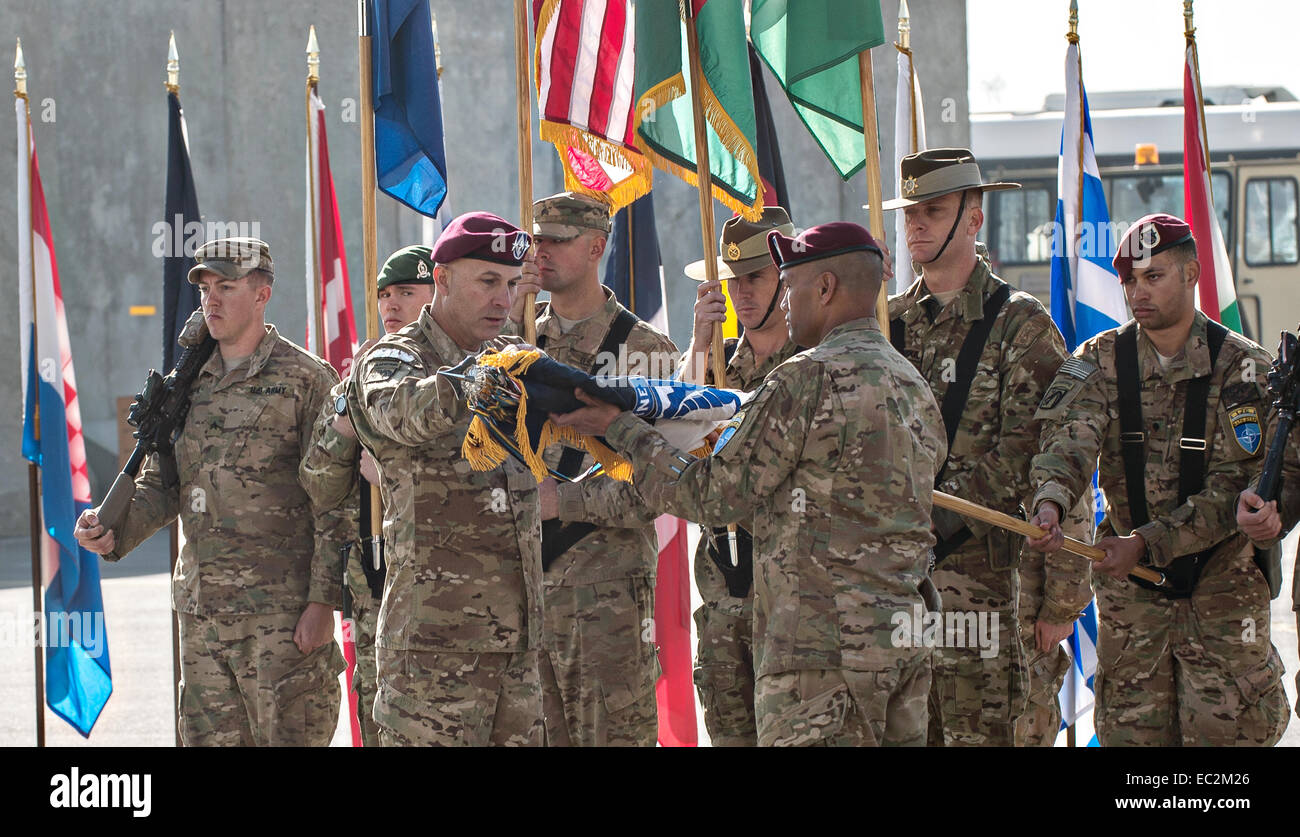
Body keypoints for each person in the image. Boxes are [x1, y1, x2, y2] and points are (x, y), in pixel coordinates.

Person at [553, 223, 947, 746]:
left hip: (821, 654)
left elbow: (711, 495)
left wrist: (619, 429)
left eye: (792, 284)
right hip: (901, 640)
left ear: (825, 288)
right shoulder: (910, 381)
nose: (785, 301)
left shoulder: (805, 377)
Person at [1027, 213, 1290, 746]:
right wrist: (1051, 502)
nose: (1136, 291)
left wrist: (1146, 543)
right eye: (1128, 279)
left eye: (1154, 276)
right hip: (1134, 611)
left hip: (1222, 602)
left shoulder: (1244, 368)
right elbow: (1068, 444)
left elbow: (1233, 489)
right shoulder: (1100, 361)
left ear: (1192, 273)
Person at [73, 237, 346, 746]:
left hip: (280, 620)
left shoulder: (306, 380)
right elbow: (165, 481)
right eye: (204, 289)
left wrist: (321, 602)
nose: (211, 300)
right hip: (202, 616)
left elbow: (333, 500)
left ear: (262, 294)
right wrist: (115, 532)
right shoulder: (188, 383)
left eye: (226, 286)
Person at [882, 147, 1088, 747]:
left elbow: (1037, 450)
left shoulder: (1020, 325)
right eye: (909, 212)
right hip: (901, 593)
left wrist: (1062, 601)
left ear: (973, 219)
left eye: (933, 210)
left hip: (995, 594)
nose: (915, 223)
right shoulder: (887, 323)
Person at [344, 212, 551, 746]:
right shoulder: (394, 356)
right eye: (487, 281)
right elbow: (400, 409)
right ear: (442, 279)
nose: (504, 301)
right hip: (432, 659)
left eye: (509, 284)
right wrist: (480, 380)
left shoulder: (514, 360)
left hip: (518, 650)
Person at [528, 192, 677, 746]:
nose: (541, 253)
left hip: (603, 595)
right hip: (520, 592)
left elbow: (658, 484)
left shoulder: (645, 352)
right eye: (537, 240)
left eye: (557, 242)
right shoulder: (514, 342)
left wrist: (561, 503)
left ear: (596, 247)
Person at [299, 244, 436, 747]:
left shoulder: (453, 379)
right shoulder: (361, 380)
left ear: (437, 293)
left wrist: (392, 476)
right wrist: (343, 427)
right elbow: (318, 485)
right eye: (384, 295)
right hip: (376, 598)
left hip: (447, 601)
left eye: (406, 292)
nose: (392, 305)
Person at [677, 206, 802, 746]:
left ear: (787, 280)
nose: (742, 293)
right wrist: (700, 343)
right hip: (727, 600)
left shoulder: (813, 363)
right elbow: (675, 432)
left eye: (756, 277)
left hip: (799, 606)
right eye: (733, 281)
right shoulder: (718, 366)